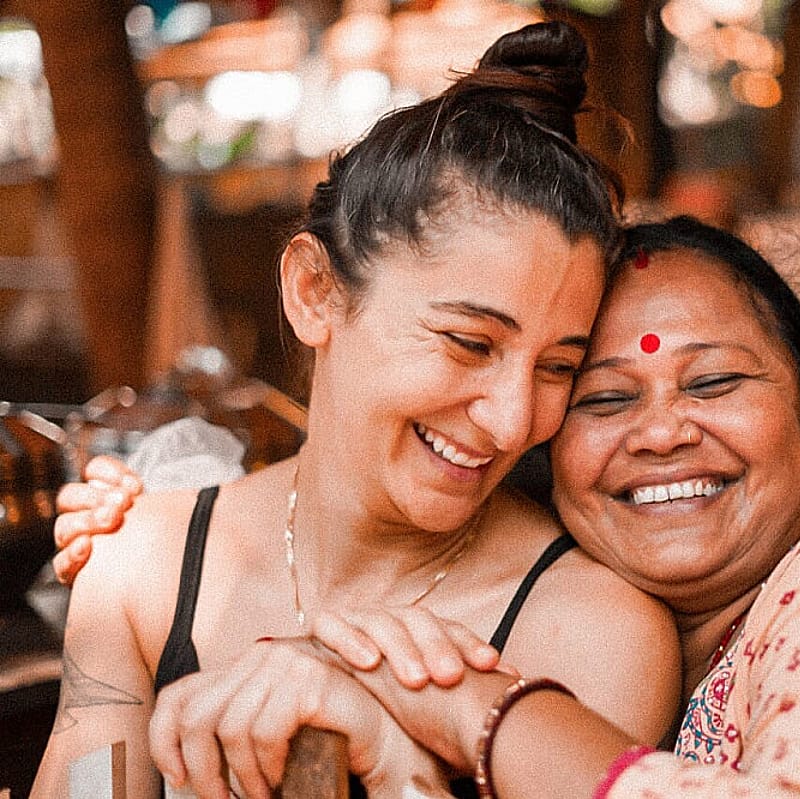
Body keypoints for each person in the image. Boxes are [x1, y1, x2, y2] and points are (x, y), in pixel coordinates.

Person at [56, 216, 800, 798]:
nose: (659, 432)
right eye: (601, 396)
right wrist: (195, 513)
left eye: (715, 382)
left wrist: (471, 703)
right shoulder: (610, 655)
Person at [32, 22, 681, 799]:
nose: (513, 421)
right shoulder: (145, 569)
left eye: (559, 367)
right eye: (469, 342)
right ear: (315, 292)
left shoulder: (591, 633)